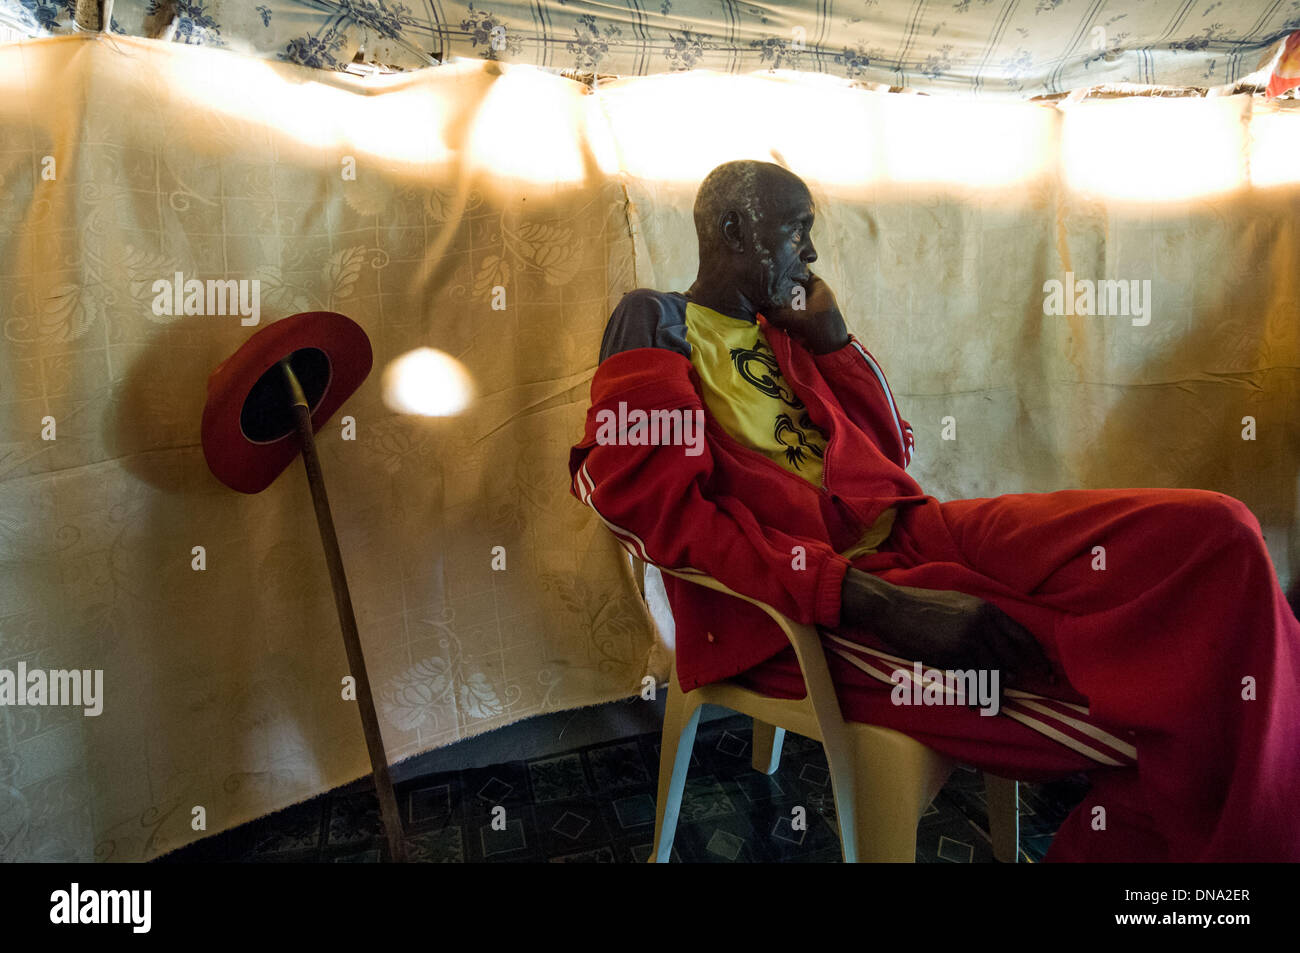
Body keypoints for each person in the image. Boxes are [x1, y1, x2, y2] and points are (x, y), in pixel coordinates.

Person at [568, 159, 1300, 861]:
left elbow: (890, 454)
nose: (813, 251)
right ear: (731, 231)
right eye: (797, 231)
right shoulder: (653, 320)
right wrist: (879, 602)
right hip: (811, 602)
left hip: (914, 527)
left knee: (1219, 535)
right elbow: (662, 520)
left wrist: (836, 343)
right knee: (1166, 693)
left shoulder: (780, 328)